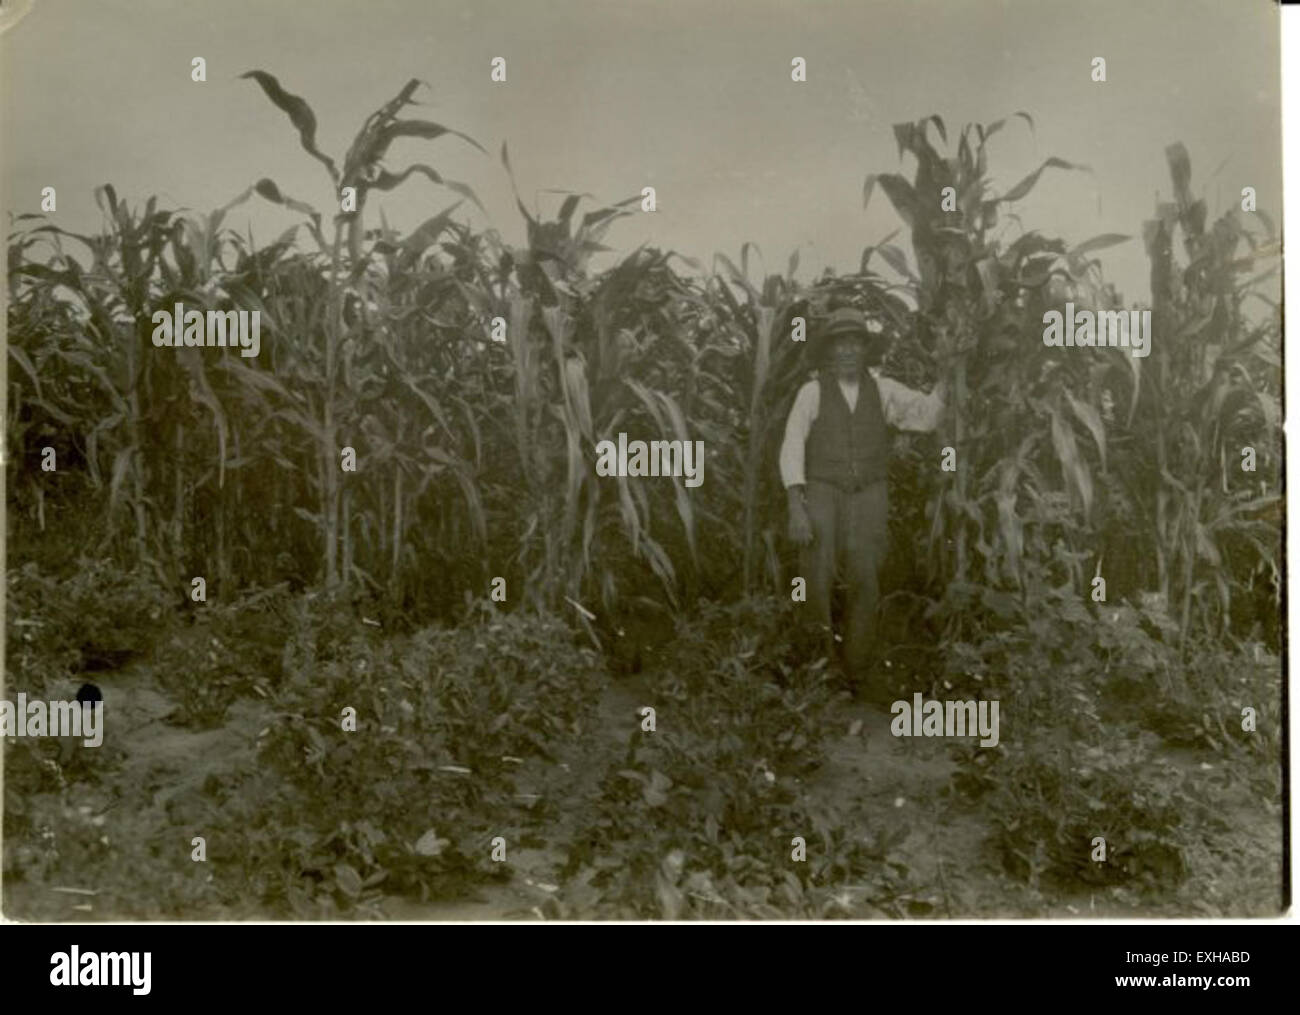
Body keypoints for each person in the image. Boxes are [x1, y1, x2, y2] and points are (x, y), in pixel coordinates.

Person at [779, 307, 946, 699]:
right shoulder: (813, 391)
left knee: (866, 578)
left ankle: (857, 671)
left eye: (855, 343)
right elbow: (792, 443)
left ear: (865, 350)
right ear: (829, 352)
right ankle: (819, 667)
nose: (848, 352)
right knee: (814, 576)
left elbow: (925, 415)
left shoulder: (883, 389)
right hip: (822, 489)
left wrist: (947, 376)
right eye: (840, 344)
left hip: (869, 492)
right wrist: (796, 503)